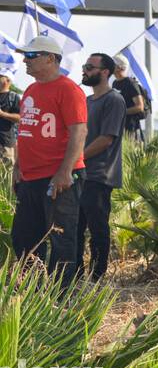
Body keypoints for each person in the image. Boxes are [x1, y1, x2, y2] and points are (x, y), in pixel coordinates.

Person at [12, 36, 87, 286]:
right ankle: (32, 292)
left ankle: (60, 296)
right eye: (25, 56)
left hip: (58, 177)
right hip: (30, 177)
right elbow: (26, 131)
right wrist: (17, 167)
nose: (25, 60)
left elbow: (79, 132)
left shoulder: (68, 89)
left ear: (51, 58)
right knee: (24, 237)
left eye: (31, 56)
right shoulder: (30, 90)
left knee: (60, 238)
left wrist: (65, 171)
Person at [76, 53, 126, 281]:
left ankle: (97, 277)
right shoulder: (87, 101)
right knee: (75, 228)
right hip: (79, 173)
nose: (84, 71)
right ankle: (75, 276)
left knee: (97, 228)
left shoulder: (114, 100)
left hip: (99, 175)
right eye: (84, 66)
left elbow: (106, 138)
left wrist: (77, 158)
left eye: (89, 67)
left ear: (105, 72)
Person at [111, 54, 147, 141]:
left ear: (120, 67)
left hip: (131, 127)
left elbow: (140, 107)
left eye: (113, 64)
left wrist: (121, 112)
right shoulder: (115, 83)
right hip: (118, 126)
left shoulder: (130, 83)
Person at [0, 72, 22, 167]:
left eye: (0, 76)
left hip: (5, 144)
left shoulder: (13, 97)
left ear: (8, 80)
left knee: (5, 172)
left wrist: (2, 114)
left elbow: (20, 118)